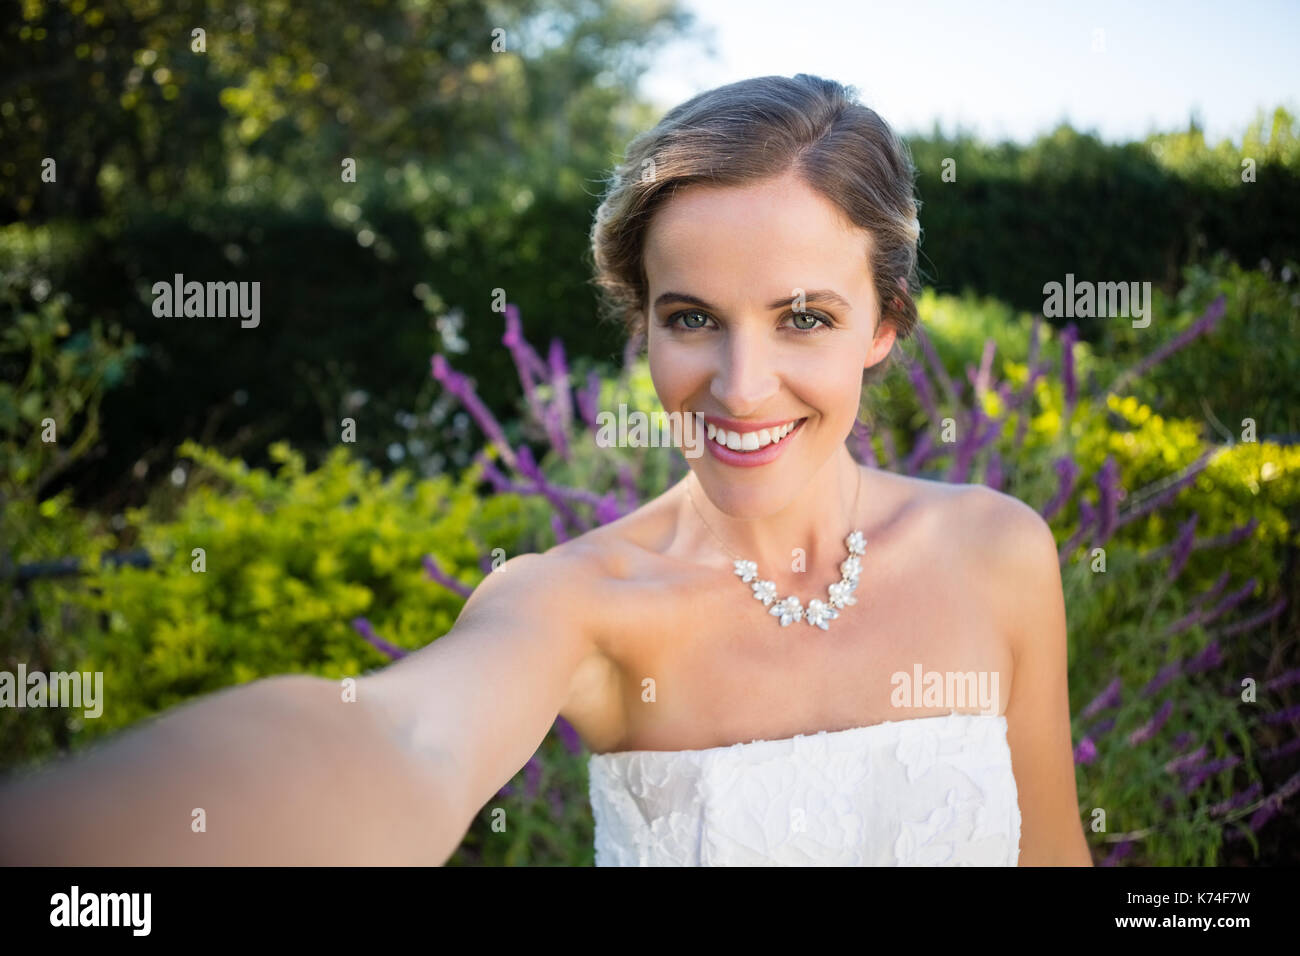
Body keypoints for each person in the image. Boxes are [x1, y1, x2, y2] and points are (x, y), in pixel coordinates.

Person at [0, 73, 1092, 866]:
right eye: (691, 318)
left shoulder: (996, 552)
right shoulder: (575, 603)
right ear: (644, 326)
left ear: (884, 325)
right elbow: (400, 735)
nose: (741, 384)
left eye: (803, 316)